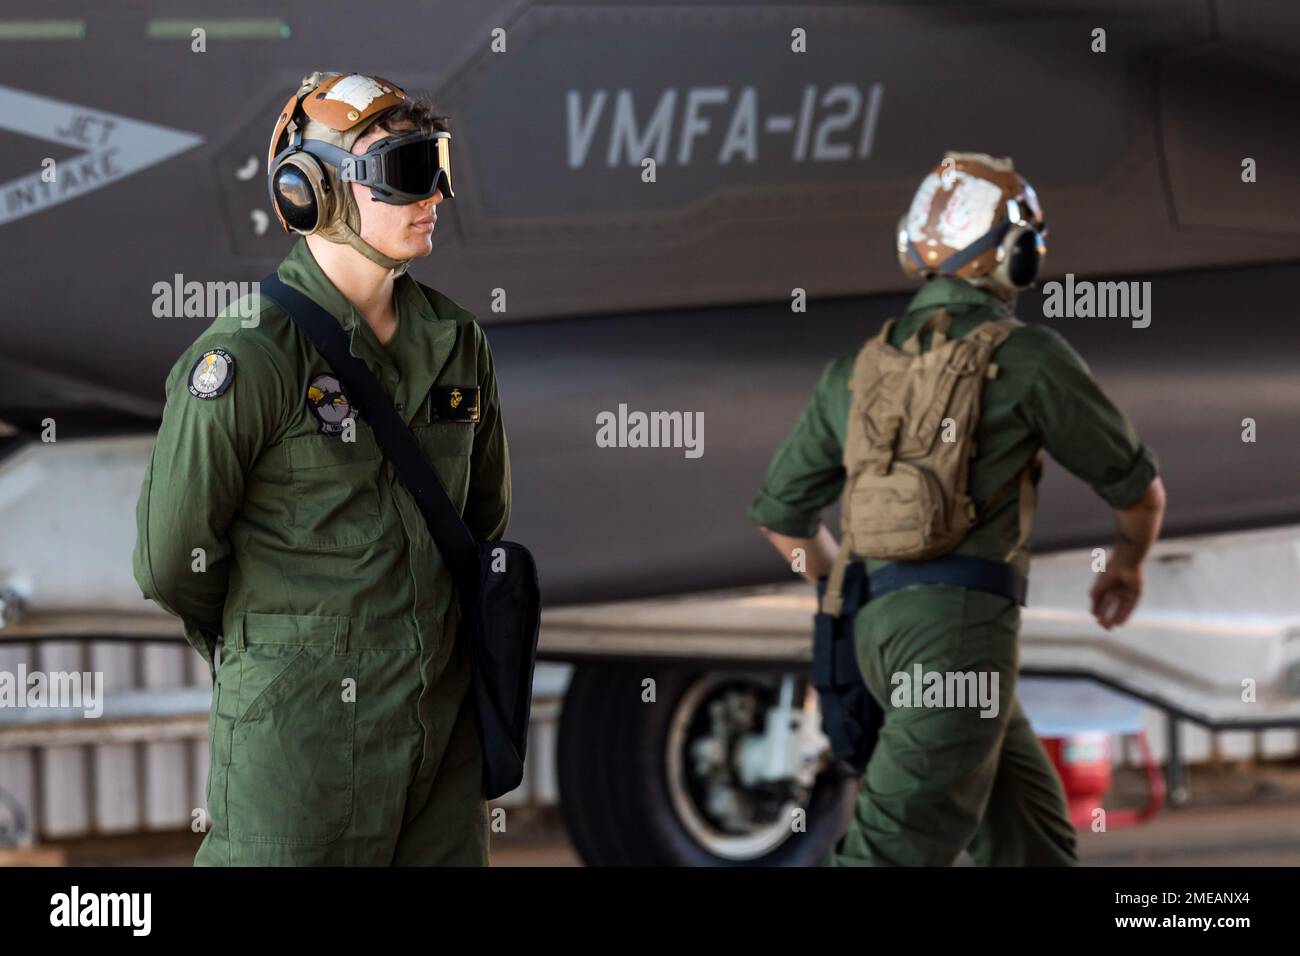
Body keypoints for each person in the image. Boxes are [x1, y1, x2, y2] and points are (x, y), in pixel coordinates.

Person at [132, 71, 511, 865]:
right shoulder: (246, 358)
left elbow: (480, 525)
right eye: (407, 171)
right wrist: (281, 646)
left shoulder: (457, 343)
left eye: (436, 164)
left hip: (439, 746)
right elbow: (173, 563)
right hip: (297, 751)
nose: (433, 192)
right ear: (315, 192)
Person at [748, 153, 1166, 866]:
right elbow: (1138, 491)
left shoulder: (855, 371)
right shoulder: (1030, 358)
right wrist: (1127, 562)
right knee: (890, 852)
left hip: (871, 639)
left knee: (1028, 838)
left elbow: (781, 518)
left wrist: (837, 587)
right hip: (959, 644)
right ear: (1015, 256)